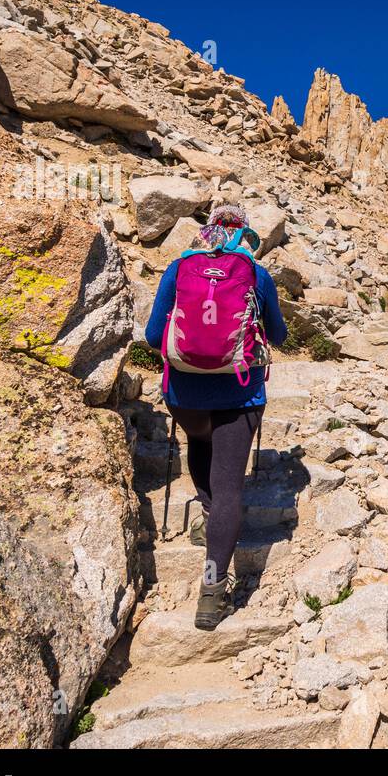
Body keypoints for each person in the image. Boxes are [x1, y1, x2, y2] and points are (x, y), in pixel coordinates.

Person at [144, 205, 288, 630]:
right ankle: (211, 593)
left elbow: (153, 336)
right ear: (244, 233)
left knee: (199, 444)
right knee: (231, 488)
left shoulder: (178, 268)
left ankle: (209, 522)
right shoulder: (255, 274)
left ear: (206, 232)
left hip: (185, 395)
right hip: (239, 394)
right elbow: (278, 335)